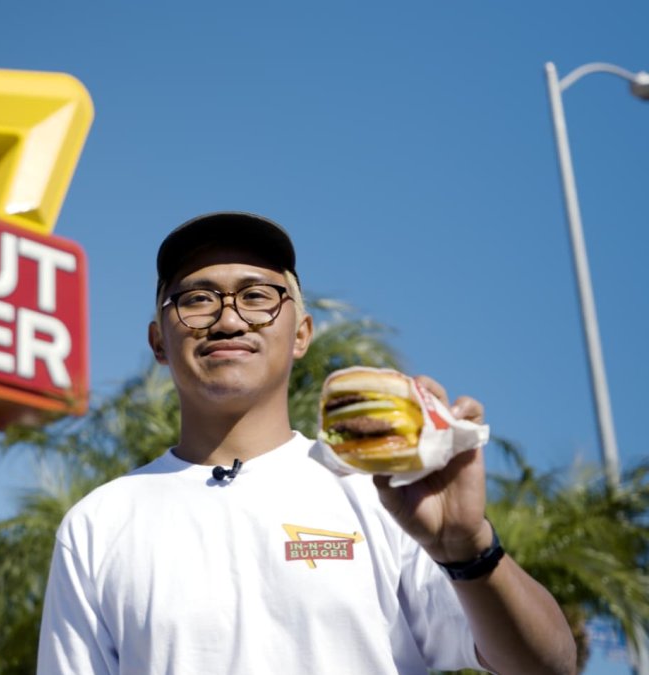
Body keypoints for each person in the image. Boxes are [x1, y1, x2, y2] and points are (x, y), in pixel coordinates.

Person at [36, 212, 576, 674]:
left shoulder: (385, 491)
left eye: (256, 296)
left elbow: (549, 664)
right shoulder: (99, 523)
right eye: (197, 299)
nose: (228, 318)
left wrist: (467, 546)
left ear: (301, 334)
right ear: (160, 339)